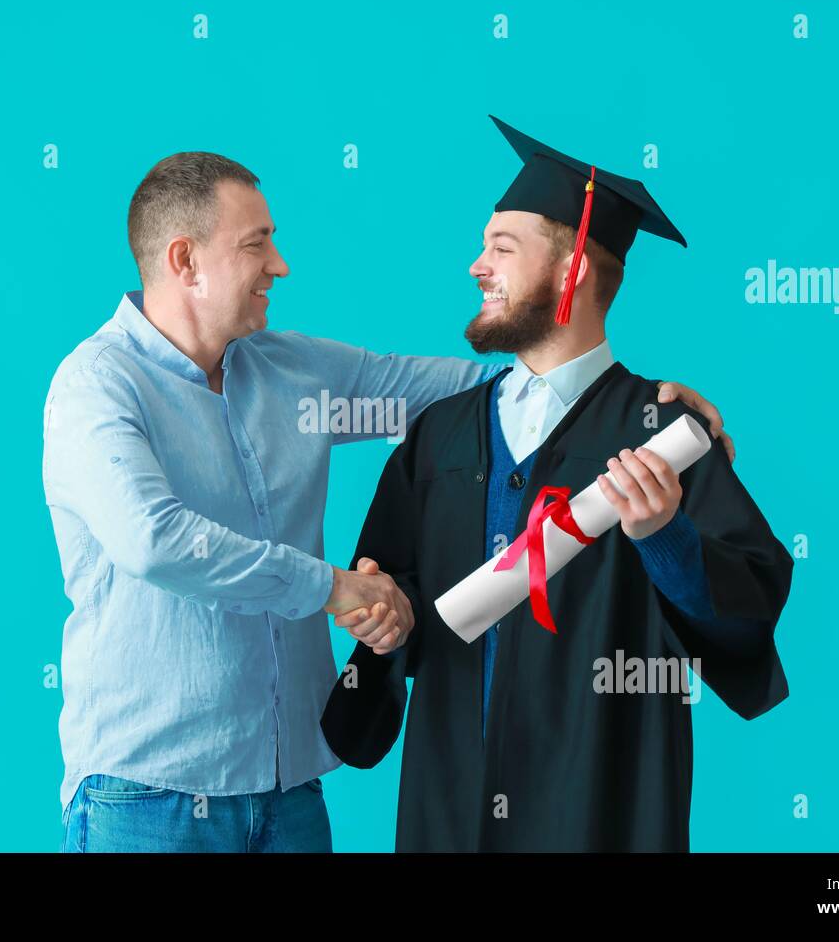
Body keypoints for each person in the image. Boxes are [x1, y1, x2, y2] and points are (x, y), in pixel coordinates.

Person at [43, 149, 733, 852]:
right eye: (258, 244)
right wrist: (331, 588)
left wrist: (638, 405)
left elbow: (480, 394)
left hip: (287, 795)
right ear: (185, 260)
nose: (279, 265)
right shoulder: (97, 387)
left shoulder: (294, 373)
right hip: (147, 800)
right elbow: (153, 540)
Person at [321, 116, 791, 852]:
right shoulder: (437, 436)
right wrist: (388, 622)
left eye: (501, 249)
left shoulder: (662, 438)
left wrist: (665, 538)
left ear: (570, 270)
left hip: (599, 807)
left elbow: (748, 613)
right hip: (452, 807)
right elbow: (394, 602)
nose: (477, 266)